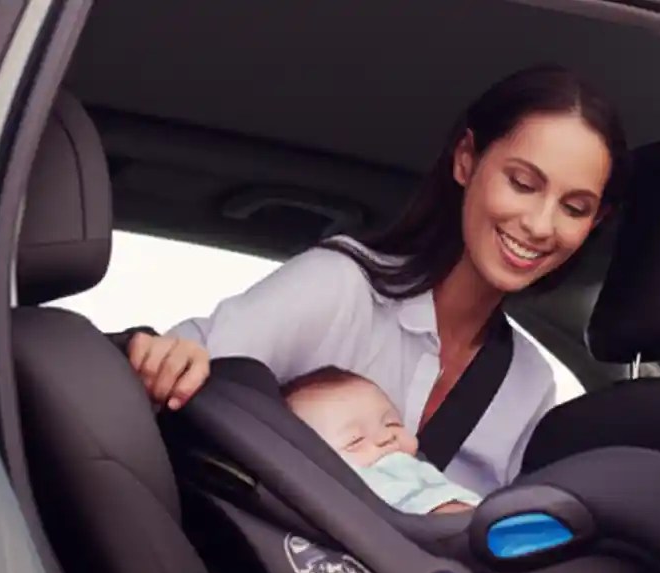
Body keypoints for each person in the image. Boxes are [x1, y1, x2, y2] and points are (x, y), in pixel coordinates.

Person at [123, 64, 630, 497]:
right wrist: (162, 360)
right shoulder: (338, 290)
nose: (541, 225)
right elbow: (183, 377)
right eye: (522, 183)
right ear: (465, 160)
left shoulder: (528, 384)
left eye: (574, 207)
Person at [281, 365, 480, 515]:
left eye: (393, 423)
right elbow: (416, 505)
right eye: (356, 441)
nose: (386, 437)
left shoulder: (410, 464)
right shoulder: (365, 480)